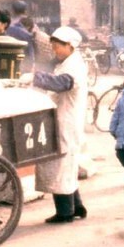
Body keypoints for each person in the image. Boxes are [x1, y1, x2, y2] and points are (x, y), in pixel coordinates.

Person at [25, 26, 88, 223]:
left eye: (58, 47)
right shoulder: (65, 61)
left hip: (67, 122)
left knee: (61, 166)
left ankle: (65, 212)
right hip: (63, 119)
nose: (55, 50)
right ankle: (76, 206)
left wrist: (35, 78)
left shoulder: (74, 66)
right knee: (66, 167)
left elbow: (62, 83)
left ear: (70, 46)